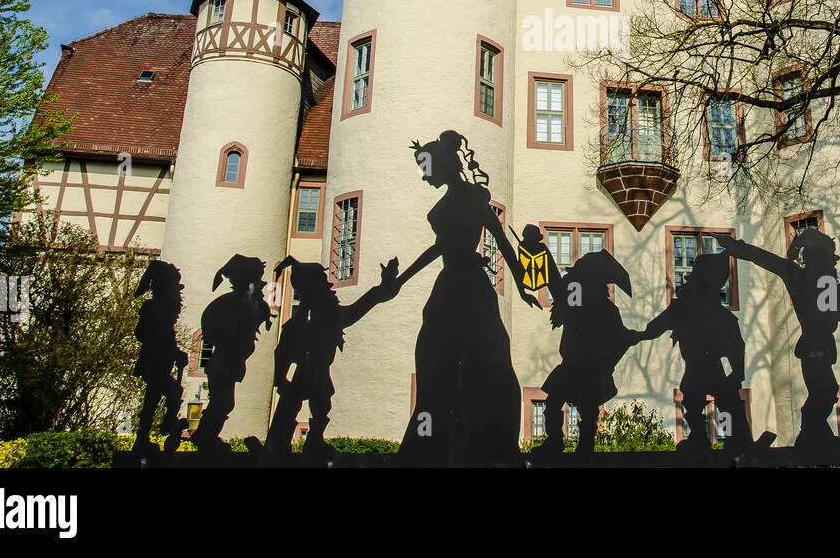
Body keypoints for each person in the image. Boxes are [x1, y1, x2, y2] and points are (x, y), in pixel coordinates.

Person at [396, 131, 540, 464]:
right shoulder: (468, 199)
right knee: (469, 362)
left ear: (441, 164)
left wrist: (521, 285)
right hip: (464, 287)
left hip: (459, 288)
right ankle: (455, 440)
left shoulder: (471, 199)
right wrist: (520, 285)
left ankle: (449, 442)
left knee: (455, 364)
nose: (424, 175)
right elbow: (495, 244)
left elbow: (498, 243)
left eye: (425, 167)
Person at [720, 229, 840, 455]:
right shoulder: (802, 277)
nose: (832, 264)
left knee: (824, 392)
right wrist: (738, 248)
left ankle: (814, 433)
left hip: (820, 346)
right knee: (824, 392)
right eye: (828, 258)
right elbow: (766, 259)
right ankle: (811, 433)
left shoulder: (821, 283)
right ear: (817, 258)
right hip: (814, 347)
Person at [265, 256, 400, 461]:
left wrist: (383, 288)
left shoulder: (313, 320)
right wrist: (280, 378)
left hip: (316, 372)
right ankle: (286, 446)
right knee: (304, 406)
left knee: (315, 405)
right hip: (309, 372)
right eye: (323, 282)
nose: (329, 286)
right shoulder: (313, 321)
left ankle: (301, 443)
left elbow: (282, 353)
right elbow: (282, 353)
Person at [529, 231, 637, 461]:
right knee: (560, 403)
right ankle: (561, 443)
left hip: (588, 368)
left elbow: (558, 286)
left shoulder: (603, 309)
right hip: (576, 365)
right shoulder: (582, 300)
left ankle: (577, 445)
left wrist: (544, 255)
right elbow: (558, 287)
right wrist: (542, 253)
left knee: (581, 408)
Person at [641, 253, 753, 455]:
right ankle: (723, 438)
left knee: (706, 402)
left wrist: (737, 373)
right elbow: (737, 345)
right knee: (704, 402)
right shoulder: (709, 313)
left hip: (703, 366)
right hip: (703, 367)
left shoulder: (690, 309)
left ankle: (721, 438)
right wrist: (737, 372)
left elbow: (654, 327)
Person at [190, 254, 272, 454]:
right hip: (224, 361)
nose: (260, 280)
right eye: (256, 276)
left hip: (228, 361)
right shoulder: (237, 303)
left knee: (223, 402)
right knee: (223, 402)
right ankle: (205, 438)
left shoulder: (239, 302)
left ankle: (203, 436)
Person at [131, 260, 187, 455]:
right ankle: (158, 431)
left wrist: (175, 351)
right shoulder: (154, 308)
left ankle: (149, 435)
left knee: (159, 398)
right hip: (153, 362)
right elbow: (142, 333)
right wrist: (165, 347)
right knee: (160, 397)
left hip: (160, 362)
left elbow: (167, 336)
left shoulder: (162, 309)